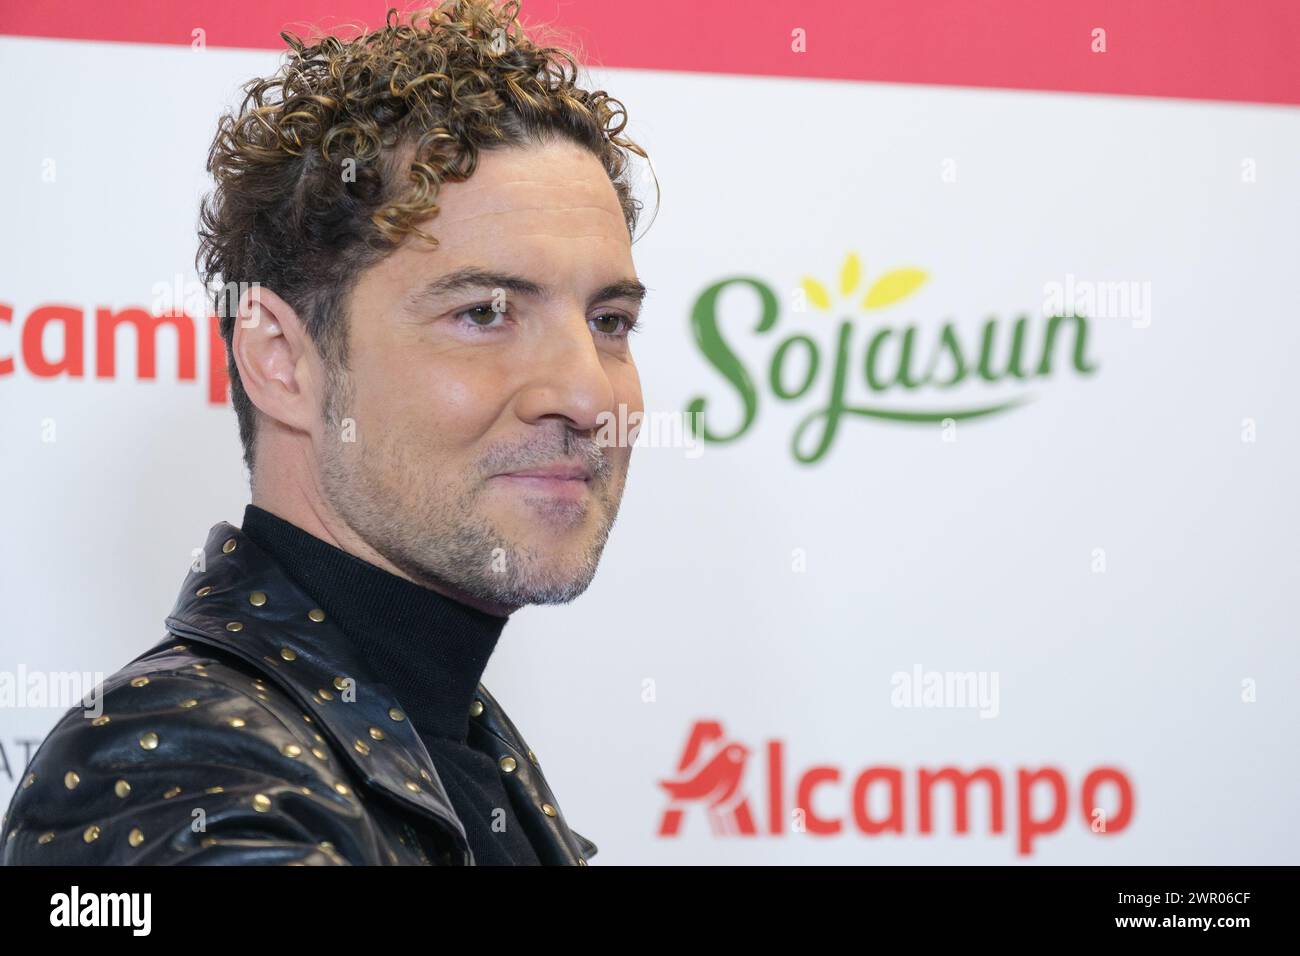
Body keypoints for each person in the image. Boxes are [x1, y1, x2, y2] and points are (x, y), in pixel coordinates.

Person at [0, 0, 653, 865]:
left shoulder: (459, 748)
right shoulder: (188, 776)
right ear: (283, 362)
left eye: (609, 321)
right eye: (486, 312)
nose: (582, 390)